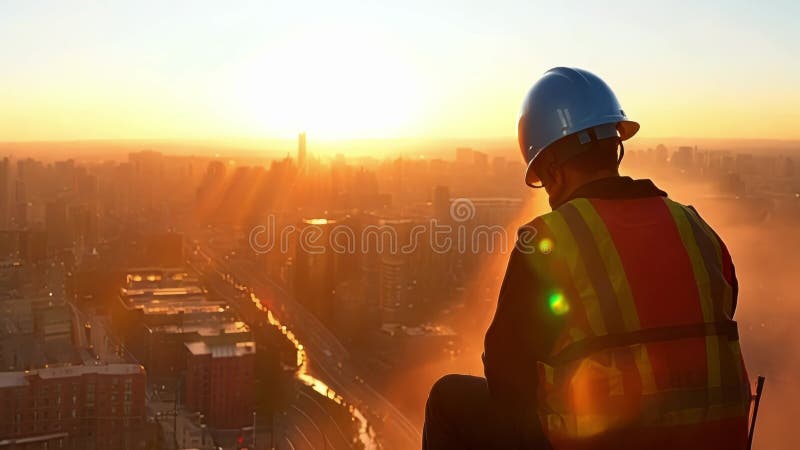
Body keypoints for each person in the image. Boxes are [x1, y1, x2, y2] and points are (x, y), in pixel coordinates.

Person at [423, 67, 752, 450]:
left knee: (447, 397)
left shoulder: (549, 241)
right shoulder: (697, 229)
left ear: (551, 171)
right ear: (616, 148)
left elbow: (504, 372)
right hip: (714, 440)